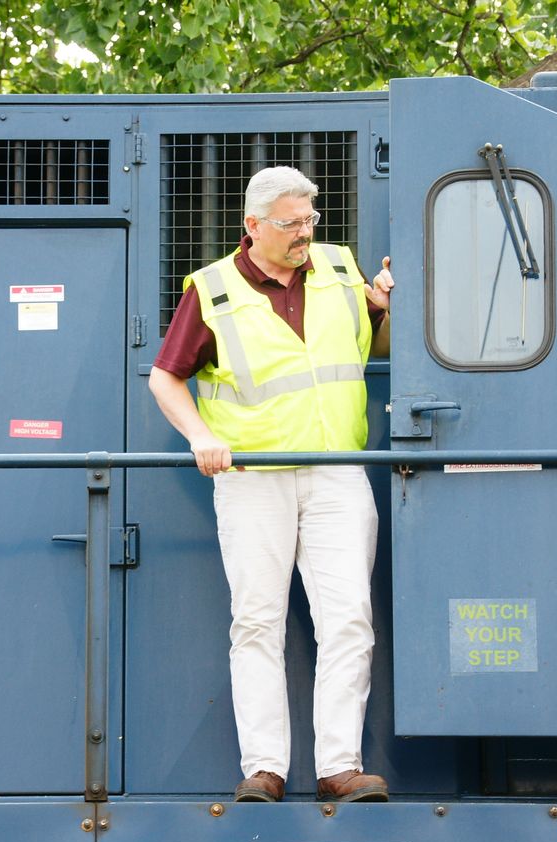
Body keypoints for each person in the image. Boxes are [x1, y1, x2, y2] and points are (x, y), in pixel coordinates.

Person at [148, 166, 394, 803]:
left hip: (337, 471)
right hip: (253, 480)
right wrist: (201, 436)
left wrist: (385, 308)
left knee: (348, 620)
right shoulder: (212, 290)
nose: (304, 233)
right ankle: (265, 769)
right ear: (253, 225)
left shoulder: (342, 269)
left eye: (310, 220)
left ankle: (340, 767)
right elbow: (165, 378)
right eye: (290, 223)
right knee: (256, 623)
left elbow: (372, 349)